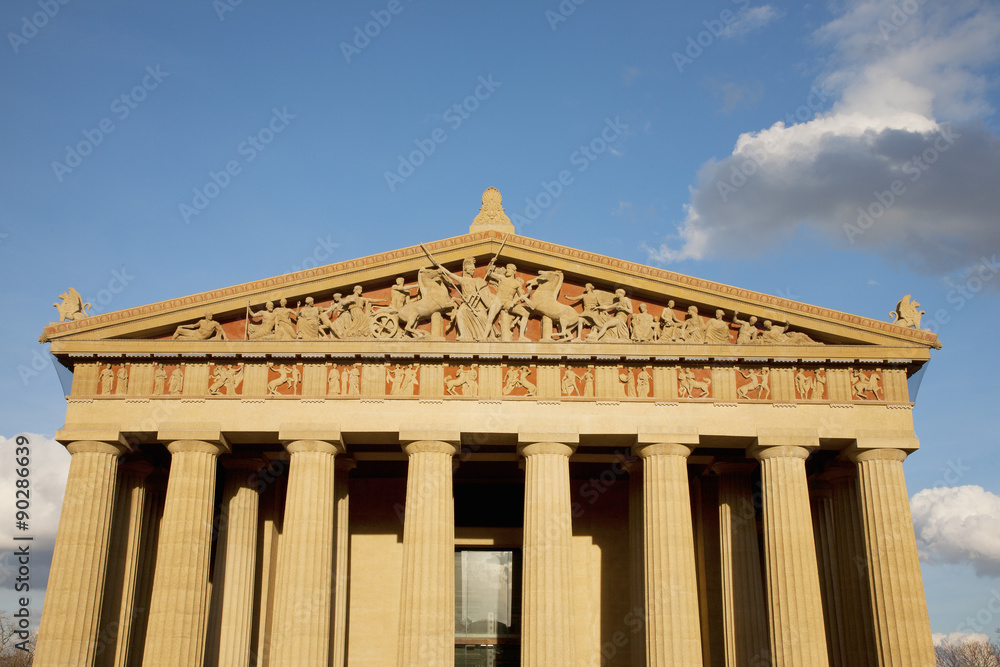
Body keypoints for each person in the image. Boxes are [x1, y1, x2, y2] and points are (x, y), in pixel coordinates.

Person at [485, 264, 532, 341]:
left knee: (526, 313)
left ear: (514, 271)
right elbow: (488, 273)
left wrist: (529, 291)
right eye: (507, 268)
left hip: (508, 303)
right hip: (498, 301)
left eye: (509, 269)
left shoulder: (517, 283)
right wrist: (491, 263)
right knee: (490, 318)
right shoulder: (502, 278)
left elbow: (522, 297)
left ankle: (521, 337)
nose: (507, 270)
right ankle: (484, 337)